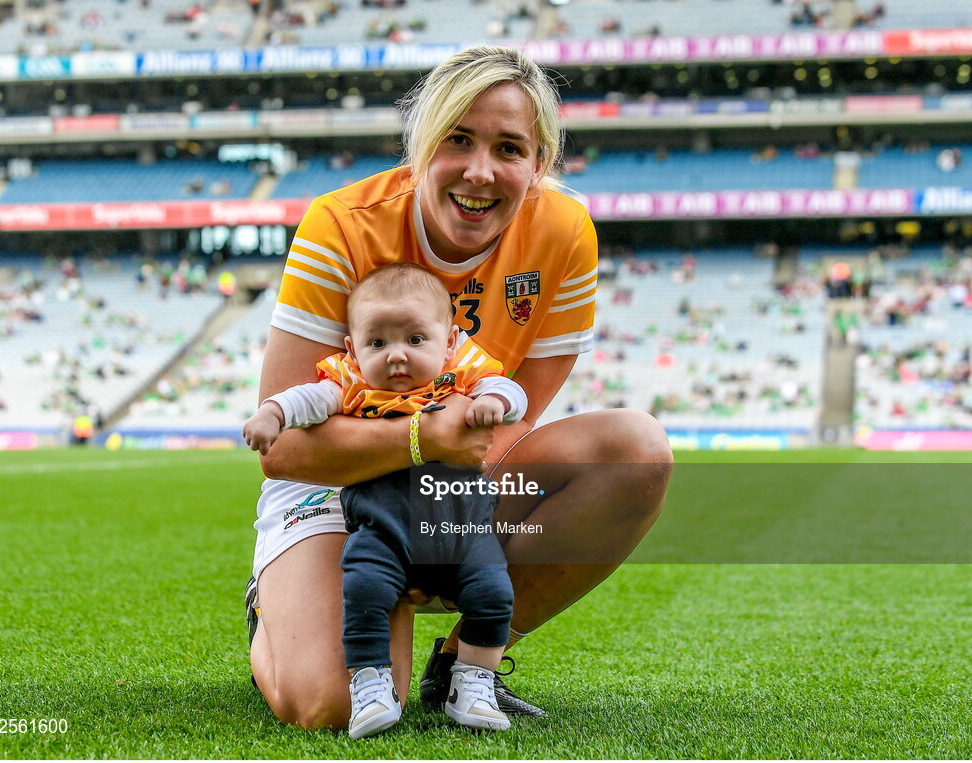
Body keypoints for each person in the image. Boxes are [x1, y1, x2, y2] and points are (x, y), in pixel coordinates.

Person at [247, 44, 673, 730]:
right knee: (324, 703)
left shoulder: (564, 232)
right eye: (458, 140)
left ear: (538, 164)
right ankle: (278, 601)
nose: (481, 171)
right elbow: (284, 452)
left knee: (638, 448)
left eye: (509, 148)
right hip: (334, 482)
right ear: (422, 145)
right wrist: (417, 441)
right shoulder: (341, 224)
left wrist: (437, 510)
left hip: (456, 477)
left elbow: (515, 417)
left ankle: (463, 663)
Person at [243, 263, 527, 737]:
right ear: (353, 349)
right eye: (379, 343)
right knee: (366, 589)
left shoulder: (461, 376)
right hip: (382, 528)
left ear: (450, 341)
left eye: (416, 340)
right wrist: (272, 414)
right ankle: (370, 682)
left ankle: (472, 679)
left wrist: (495, 402)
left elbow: (508, 389)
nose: (397, 356)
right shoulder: (351, 384)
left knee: (493, 593)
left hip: (457, 525)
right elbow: (305, 399)